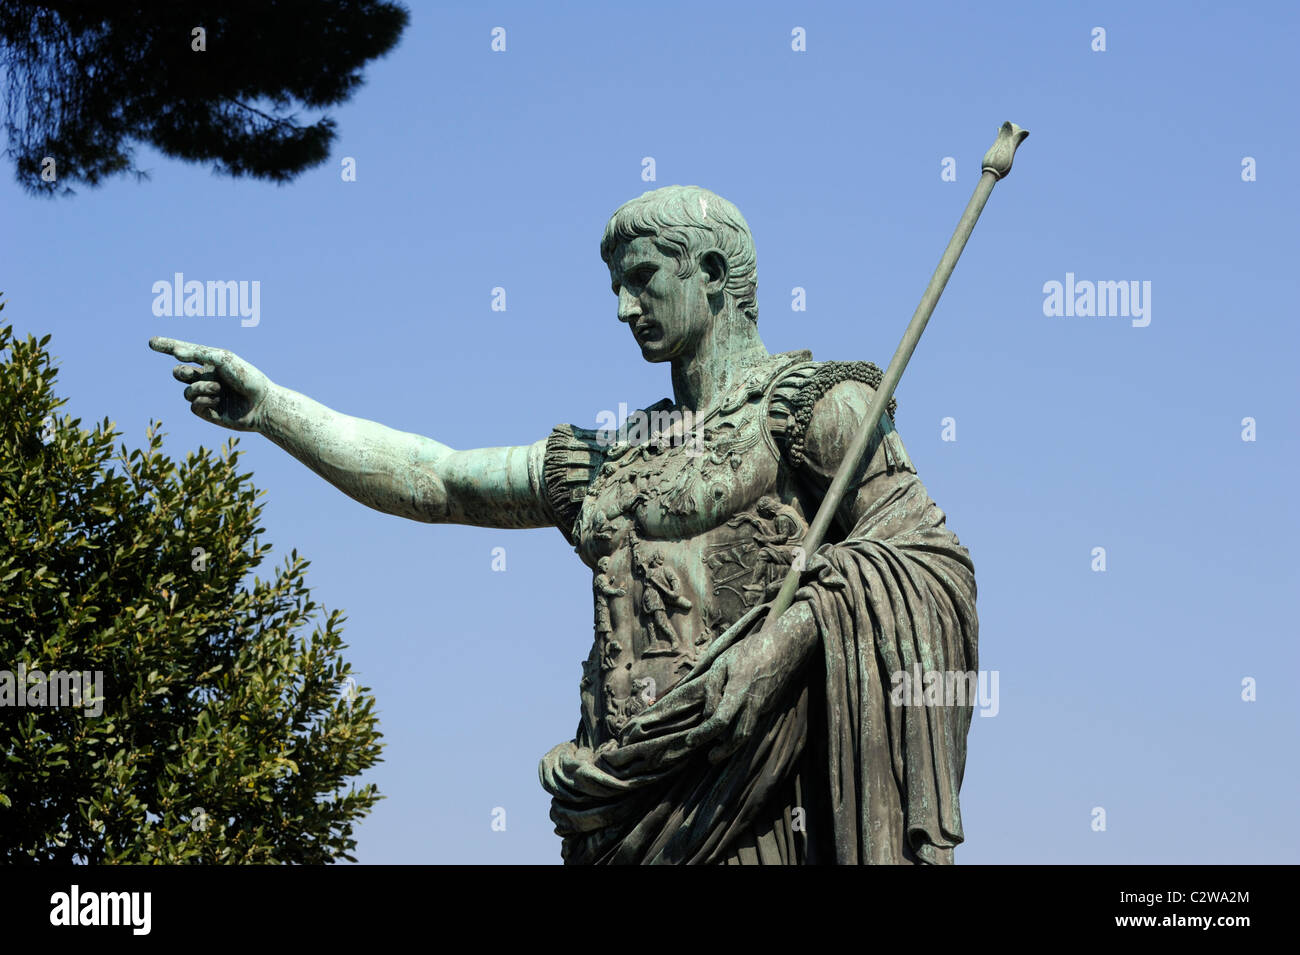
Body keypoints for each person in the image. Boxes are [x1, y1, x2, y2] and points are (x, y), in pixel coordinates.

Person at [150, 184, 978, 865]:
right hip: (614, 806)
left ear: (714, 272)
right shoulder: (609, 457)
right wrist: (272, 409)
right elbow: (437, 479)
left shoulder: (815, 407)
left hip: (749, 801)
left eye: (642, 278)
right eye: (614, 285)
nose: (622, 307)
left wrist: (786, 640)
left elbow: (929, 565)